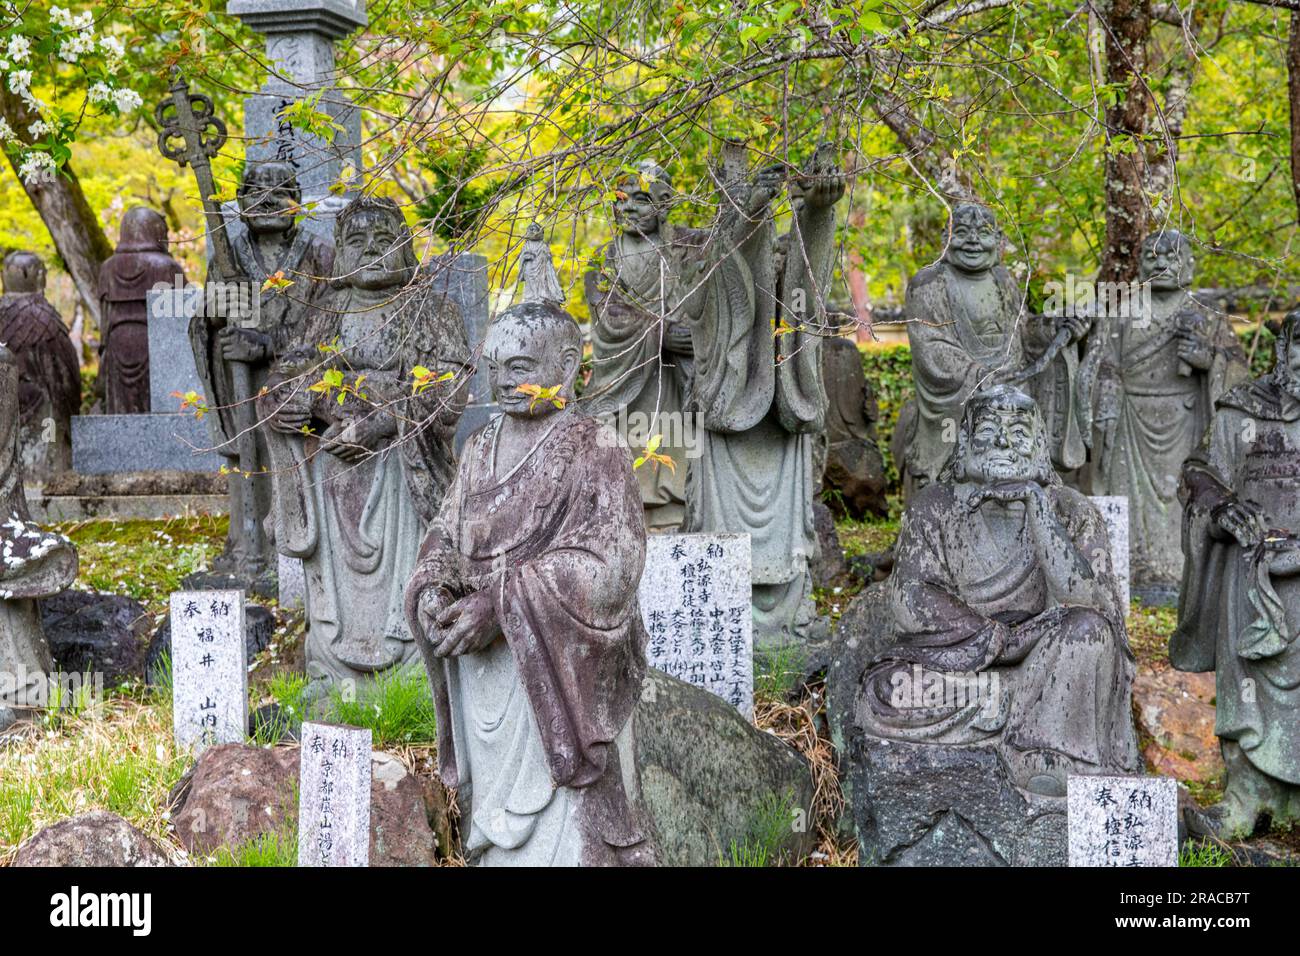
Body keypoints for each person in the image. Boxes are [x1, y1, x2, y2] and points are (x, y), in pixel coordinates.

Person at [404, 300, 657, 866]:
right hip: (484, 673)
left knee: (563, 829)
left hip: (558, 675)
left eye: (518, 365)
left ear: (567, 365)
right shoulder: (480, 447)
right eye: (493, 367)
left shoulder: (597, 448)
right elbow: (447, 529)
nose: (503, 381)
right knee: (495, 837)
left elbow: (612, 566)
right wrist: (433, 587)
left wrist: (501, 604)